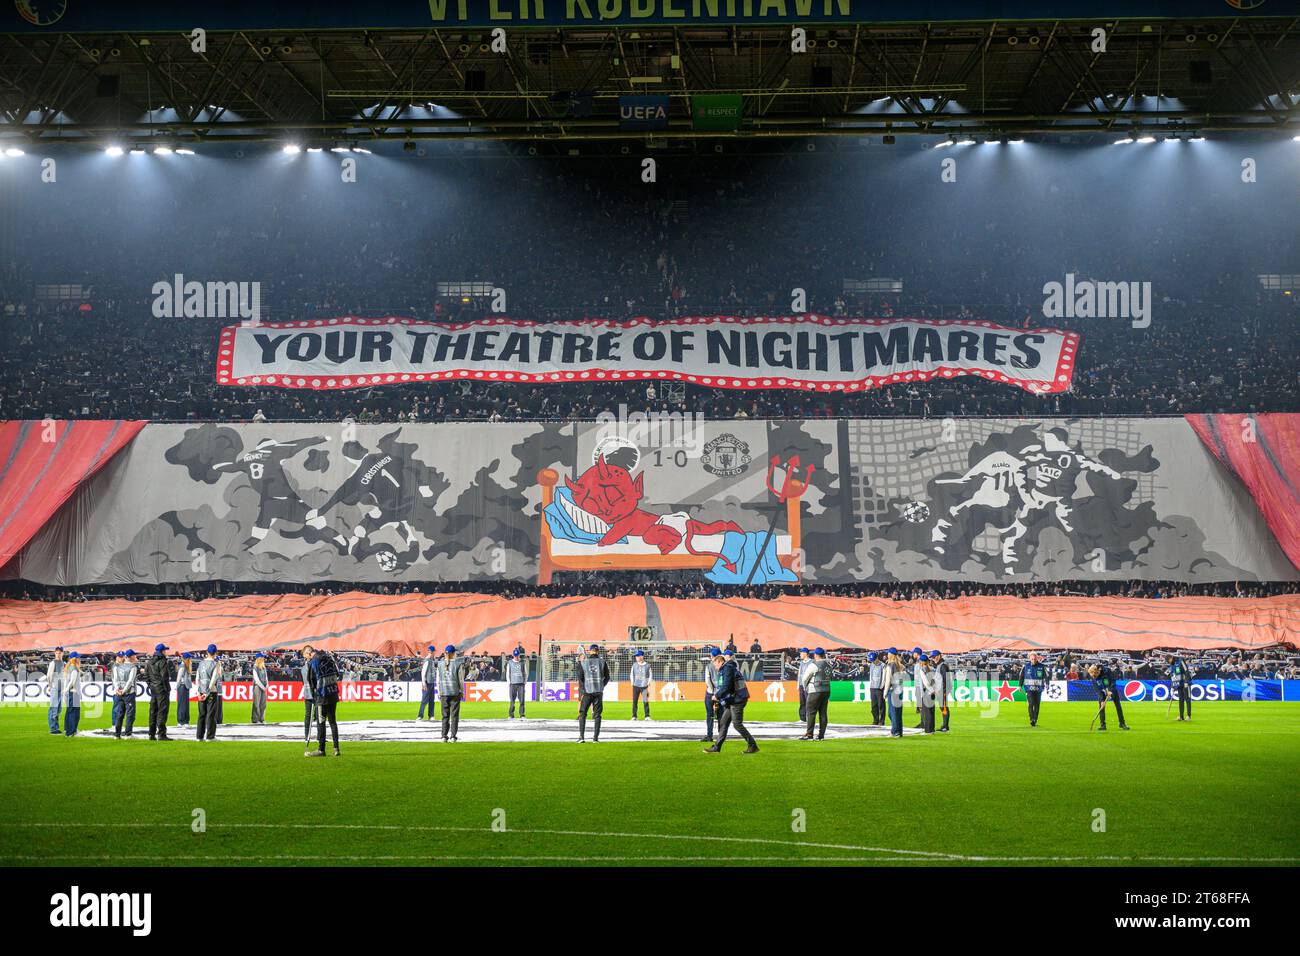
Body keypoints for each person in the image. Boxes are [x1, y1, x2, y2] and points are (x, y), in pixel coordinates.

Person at [703, 649, 757, 754]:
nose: (715, 668)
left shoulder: (727, 668)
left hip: (738, 700)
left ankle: (752, 745)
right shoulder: (727, 668)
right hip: (733, 699)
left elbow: (726, 686)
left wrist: (717, 696)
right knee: (723, 723)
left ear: (719, 662)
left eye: (715, 665)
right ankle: (717, 748)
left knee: (737, 724)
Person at [307, 646, 341, 756]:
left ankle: (321, 749)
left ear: (310, 653)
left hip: (322, 696)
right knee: (332, 722)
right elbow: (338, 673)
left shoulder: (314, 662)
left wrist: (313, 696)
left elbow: (311, 681)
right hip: (333, 693)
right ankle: (336, 749)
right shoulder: (330, 659)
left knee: (321, 722)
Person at [576, 643, 610, 743]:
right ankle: (595, 738)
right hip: (598, 692)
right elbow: (607, 677)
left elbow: (580, 678)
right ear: (598, 651)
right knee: (597, 715)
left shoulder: (583, 662)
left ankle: (582, 737)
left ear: (590, 651)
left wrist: (584, 689)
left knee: (582, 713)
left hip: (587, 691)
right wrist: (601, 686)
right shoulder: (602, 662)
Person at [799, 647, 832, 741]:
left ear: (816, 655)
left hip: (815, 690)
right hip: (826, 690)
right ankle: (821, 735)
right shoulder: (828, 665)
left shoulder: (814, 665)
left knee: (810, 712)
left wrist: (805, 687)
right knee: (823, 713)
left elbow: (805, 678)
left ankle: (809, 734)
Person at [436, 644, 466, 743]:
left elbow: (438, 680)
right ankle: (453, 736)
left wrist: (439, 691)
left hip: (444, 692)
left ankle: (443, 736)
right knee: (454, 716)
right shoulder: (458, 664)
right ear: (453, 653)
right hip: (455, 692)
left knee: (445, 716)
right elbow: (460, 679)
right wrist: (462, 690)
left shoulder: (440, 664)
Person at [194, 644, 223, 742]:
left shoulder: (201, 663)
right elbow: (213, 678)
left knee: (202, 714)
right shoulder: (216, 664)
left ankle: (199, 736)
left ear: (207, 652)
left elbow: (197, 678)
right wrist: (207, 693)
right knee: (211, 714)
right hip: (211, 692)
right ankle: (210, 736)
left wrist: (198, 692)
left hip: (201, 690)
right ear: (215, 653)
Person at [1089, 663, 1129, 731]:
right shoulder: (1093, 677)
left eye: (1096, 675)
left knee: (1118, 706)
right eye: (1093, 676)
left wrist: (1110, 690)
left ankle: (1122, 723)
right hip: (1102, 691)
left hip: (1112, 689)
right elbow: (1097, 689)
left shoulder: (1107, 671)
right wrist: (1102, 700)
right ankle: (1103, 725)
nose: (1094, 677)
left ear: (1098, 671)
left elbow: (1113, 680)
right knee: (1101, 707)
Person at [144, 643, 171, 741]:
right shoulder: (163, 661)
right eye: (165, 650)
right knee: (162, 712)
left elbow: (146, 676)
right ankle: (161, 734)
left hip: (153, 689)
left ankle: (151, 734)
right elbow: (164, 677)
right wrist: (167, 689)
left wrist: (151, 685)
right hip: (161, 689)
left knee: (153, 711)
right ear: (162, 651)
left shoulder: (149, 661)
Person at [1020, 652, 1048, 727]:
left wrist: (1047, 684)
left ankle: (1035, 719)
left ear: (1037, 659)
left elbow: (1046, 676)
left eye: (1035, 659)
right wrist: (1020, 685)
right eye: (1032, 659)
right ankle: (1031, 719)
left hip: (1039, 689)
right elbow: (1021, 676)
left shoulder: (1042, 666)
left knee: (1037, 705)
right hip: (1029, 689)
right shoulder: (1025, 666)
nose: (1033, 660)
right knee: (1031, 703)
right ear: (1029, 659)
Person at [883, 652, 905, 738]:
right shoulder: (900, 665)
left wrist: (885, 691)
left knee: (892, 712)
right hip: (899, 690)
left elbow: (888, 679)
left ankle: (895, 731)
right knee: (898, 712)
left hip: (893, 690)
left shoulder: (890, 665)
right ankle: (899, 731)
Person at [62, 652, 83, 737]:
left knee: (69, 711)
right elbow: (73, 681)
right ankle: (72, 731)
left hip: (70, 693)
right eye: (78, 658)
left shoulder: (68, 668)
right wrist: (67, 689)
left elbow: (67, 681)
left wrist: (65, 691)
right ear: (75, 658)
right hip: (74, 693)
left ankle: (68, 729)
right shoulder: (74, 668)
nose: (79, 659)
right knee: (75, 713)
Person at [914, 651, 935, 734]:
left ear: (921, 662)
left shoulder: (922, 669)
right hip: (933, 692)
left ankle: (928, 730)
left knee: (927, 712)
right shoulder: (932, 668)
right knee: (931, 712)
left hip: (927, 692)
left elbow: (926, 683)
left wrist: (931, 690)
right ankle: (932, 729)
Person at [45, 647, 65, 735]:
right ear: (55, 653)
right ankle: (53, 728)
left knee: (58, 709)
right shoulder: (53, 663)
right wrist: (50, 685)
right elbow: (49, 675)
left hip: (61, 688)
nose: (58, 654)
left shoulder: (63, 663)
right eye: (57, 653)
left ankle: (56, 727)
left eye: (59, 653)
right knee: (53, 707)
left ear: (62, 653)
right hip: (55, 687)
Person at [701, 646, 719, 743]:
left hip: (710, 692)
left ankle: (709, 735)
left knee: (709, 715)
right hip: (720, 693)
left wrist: (712, 691)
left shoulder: (709, 666)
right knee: (721, 715)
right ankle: (721, 736)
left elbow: (707, 680)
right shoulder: (724, 665)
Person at [629, 649, 653, 720]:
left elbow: (650, 674)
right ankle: (634, 716)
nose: (637, 657)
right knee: (635, 701)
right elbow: (631, 674)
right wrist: (632, 682)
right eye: (636, 656)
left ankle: (647, 716)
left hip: (644, 686)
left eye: (638, 656)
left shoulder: (648, 665)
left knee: (645, 701)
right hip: (636, 685)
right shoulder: (634, 665)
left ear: (642, 656)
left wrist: (648, 682)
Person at [300, 646, 317, 747]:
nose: (308, 654)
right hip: (308, 694)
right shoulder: (303, 668)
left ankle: (320, 736)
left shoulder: (315, 664)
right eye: (306, 652)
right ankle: (306, 736)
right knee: (307, 716)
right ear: (303, 654)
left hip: (317, 693)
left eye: (310, 652)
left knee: (319, 716)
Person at [933, 650, 952, 733]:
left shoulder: (942, 666)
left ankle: (945, 726)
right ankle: (944, 725)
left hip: (942, 690)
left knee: (944, 707)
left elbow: (945, 679)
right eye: (932, 658)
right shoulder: (940, 665)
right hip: (941, 690)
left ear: (939, 656)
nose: (933, 659)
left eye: (934, 657)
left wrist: (944, 691)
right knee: (942, 707)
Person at [417, 645, 437, 721]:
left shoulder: (431, 660)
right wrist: (423, 683)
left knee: (432, 700)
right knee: (424, 700)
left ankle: (431, 715)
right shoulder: (427, 660)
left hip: (431, 682)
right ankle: (420, 715)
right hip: (427, 682)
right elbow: (423, 672)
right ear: (433, 652)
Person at [1169, 654, 1192, 721]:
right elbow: (1173, 676)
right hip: (1179, 684)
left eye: (1169, 660)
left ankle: (1188, 716)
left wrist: (1186, 682)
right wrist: (1173, 686)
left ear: (1171, 658)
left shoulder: (1180, 660)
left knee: (1187, 699)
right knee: (1181, 700)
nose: (1169, 662)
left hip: (1185, 683)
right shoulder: (1172, 665)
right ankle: (1181, 716)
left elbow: (1186, 671)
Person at [505, 648, 527, 719]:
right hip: (512, 684)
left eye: (517, 655)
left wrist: (524, 682)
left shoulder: (523, 662)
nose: (516, 657)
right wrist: (509, 683)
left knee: (522, 700)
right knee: (512, 700)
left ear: (519, 655)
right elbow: (508, 673)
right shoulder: (510, 662)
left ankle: (522, 714)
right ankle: (511, 715)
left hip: (521, 684)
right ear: (513, 655)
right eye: (515, 655)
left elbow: (525, 673)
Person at [175, 652, 193, 727]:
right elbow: (179, 677)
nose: (191, 660)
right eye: (190, 658)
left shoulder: (185, 665)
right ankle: (181, 721)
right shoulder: (183, 666)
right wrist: (177, 686)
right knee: (182, 704)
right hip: (182, 686)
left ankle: (185, 720)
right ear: (187, 659)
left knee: (185, 704)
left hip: (185, 686)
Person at [867, 651, 885, 726]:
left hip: (879, 688)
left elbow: (884, 676)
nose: (873, 661)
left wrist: (882, 685)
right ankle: (875, 720)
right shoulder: (871, 665)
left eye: (874, 660)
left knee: (881, 705)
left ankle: (881, 721)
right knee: (873, 705)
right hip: (872, 687)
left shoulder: (883, 665)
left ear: (877, 658)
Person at [795, 648, 813, 724]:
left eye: (801, 653)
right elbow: (799, 674)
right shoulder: (802, 662)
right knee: (802, 702)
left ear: (805, 653)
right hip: (802, 685)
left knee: (809, 702)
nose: (800, 654)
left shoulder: (812, 662)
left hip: (808, 685)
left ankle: (809, 718)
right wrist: (798, 684)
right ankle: (802, 718)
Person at [251, 652, 269, 724]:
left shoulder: (263, 667)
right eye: (262, 658)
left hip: (264, 687)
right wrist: (262, 687)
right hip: (257, 687)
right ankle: (255, 719)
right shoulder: (255, 667)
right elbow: (256, 679)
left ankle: (262, 718)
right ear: (259, 658)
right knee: (256, 703)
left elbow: (266, 677)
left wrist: (267, 684)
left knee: (263, 704)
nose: (263, 659)